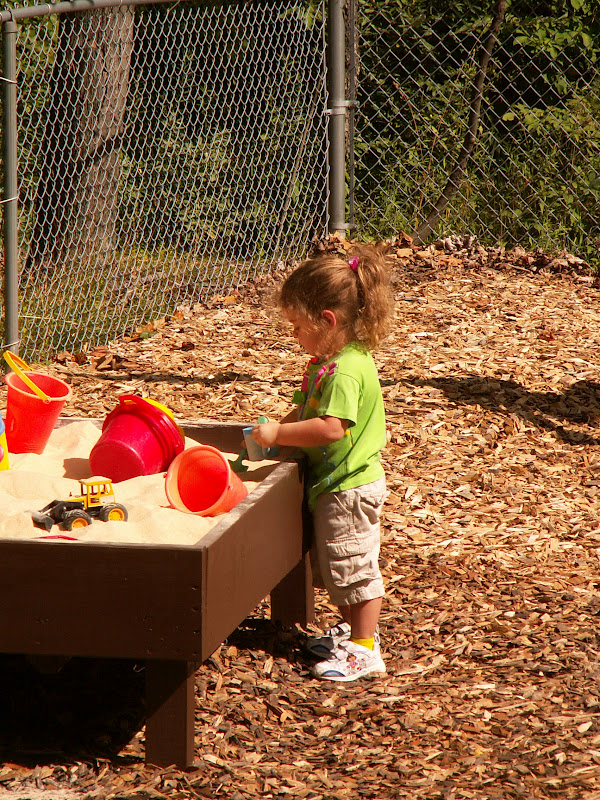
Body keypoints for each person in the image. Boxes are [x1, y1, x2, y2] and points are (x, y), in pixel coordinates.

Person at [251, 244, 394, 681]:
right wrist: (280, 434)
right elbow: (307, 412)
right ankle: (354, 634)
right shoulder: (325, 364)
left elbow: (332, 428)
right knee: (338, 570)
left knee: (355, 572)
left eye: (297, 326)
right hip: (334, 485)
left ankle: (365, 650)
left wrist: (278, 435)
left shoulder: (346, 370)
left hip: (349, 489)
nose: (293, 335)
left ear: (326, 320)